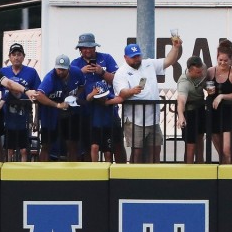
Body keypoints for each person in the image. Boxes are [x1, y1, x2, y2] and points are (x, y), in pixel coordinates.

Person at [109, 39, 183, 163]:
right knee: (137, 151)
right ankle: (134, 178)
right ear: (125, 57)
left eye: (138, 56)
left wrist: (175, 48)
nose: (137, 59)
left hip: (153, 118)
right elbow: (122, 92)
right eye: (133, 57)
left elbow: (168, 61)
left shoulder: (148, 64)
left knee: (155, 149)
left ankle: (153, 177)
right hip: (134, 119)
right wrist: (132, 91)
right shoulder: (121, 73)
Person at [28, 54, 84, 162]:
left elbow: (82, 85)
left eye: (63, 69)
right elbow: (39, 95)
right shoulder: (50, 77)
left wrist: (75, 96)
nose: (60, 72)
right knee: (46, 145)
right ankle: (42, 172)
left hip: (70, 113)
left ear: (68, 68)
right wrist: (57, 105)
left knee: (72, 144)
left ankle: (72, 173)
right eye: (58, 68)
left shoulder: (76, 72)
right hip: (51, 115)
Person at [72, 33, 119, 162]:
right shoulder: (75, 63)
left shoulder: (106, 58)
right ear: (80, 49)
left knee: (114, 146)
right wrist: (80, 72)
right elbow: (69, 85)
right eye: (84, 48)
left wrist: (101, 72)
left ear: (95, 47)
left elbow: (117, 80)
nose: (87, 50)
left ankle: (117, 173)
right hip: (85, 110)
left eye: (90, 47)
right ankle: (92, 175)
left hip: (108, 108)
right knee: (89, 146)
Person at [0, 44, 41, 162]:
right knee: (8, 149)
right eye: (14, 55)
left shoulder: (31, 72)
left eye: (19, 54)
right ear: (9, 57)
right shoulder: (3, 71)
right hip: (7, 117)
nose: (16, 57)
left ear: (23, 56)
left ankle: (23, 173)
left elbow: (37, 95)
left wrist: (36, 119)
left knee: (24, 149)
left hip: (24, 118)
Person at [205, 40, 232, 164]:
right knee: (220, 153)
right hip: (214, 114)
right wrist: (208, 91)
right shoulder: (210, 71)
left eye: (225, 60)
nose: (222, 63)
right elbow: (201, 85)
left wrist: (221, 96)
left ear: (230, 60)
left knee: (227, 151)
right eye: (220, 60)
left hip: (229, 114)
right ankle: (225, 180)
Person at [176, 56, 209, 164]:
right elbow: (181, 100)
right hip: (189, 112)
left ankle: (201, 166)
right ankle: (188, 172)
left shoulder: (203, 67)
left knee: (200, 139)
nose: (201, 74)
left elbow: (205, 81)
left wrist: (208, 88)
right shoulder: (184, 82)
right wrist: (181, 116)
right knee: (190, 144)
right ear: (190, 70)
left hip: (200, 109)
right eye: (197, 72)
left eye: (201, 71)